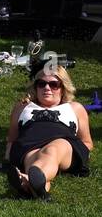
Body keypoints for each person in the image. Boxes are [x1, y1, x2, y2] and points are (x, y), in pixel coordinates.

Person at [5, 64, 92, 200]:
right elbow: (12, 139)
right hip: (29, 145)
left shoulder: (75, 108)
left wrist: (82, 154)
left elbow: (86, 141)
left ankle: (27, 180)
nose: (47, 88)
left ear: (63, 88)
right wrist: (8, 157)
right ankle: (37, 189)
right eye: (42, 84)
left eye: (54, 84)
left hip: (62, 143)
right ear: (36, 87)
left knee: (52, 150)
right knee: (33, 160)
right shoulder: (22, 107)